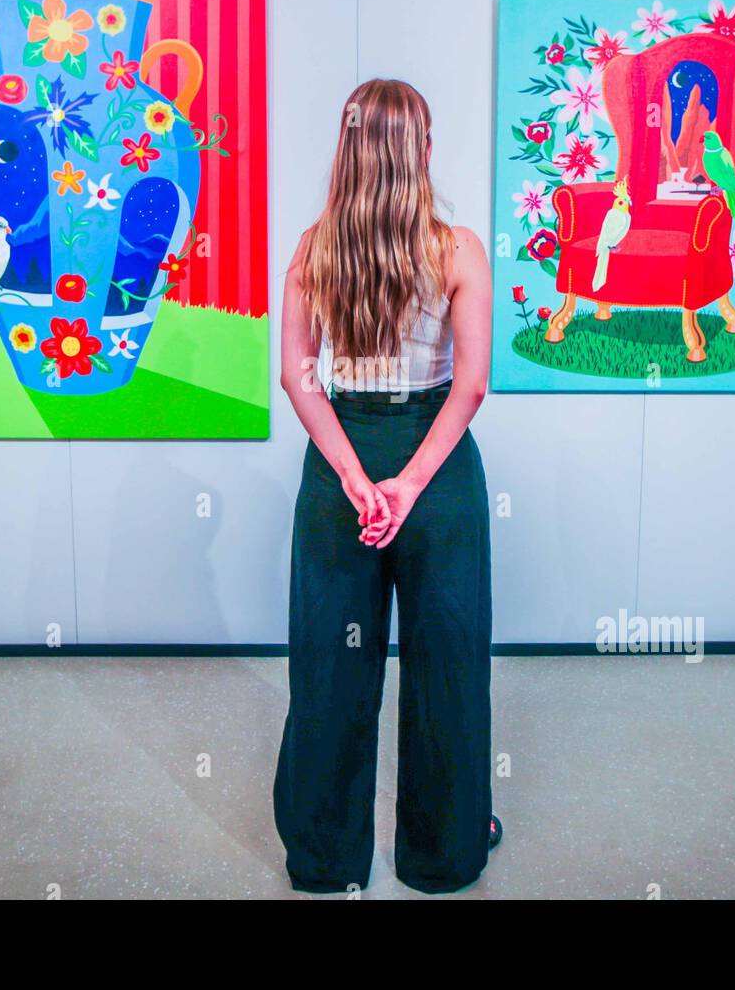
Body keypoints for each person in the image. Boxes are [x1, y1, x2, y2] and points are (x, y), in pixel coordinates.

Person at [273, 78, 499, 895]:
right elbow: (470, 385)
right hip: (435, 469)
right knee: (447, 663)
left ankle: (326, 860)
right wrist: (404, 486)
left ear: (349, 147)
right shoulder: (459, 248)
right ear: (421, 151)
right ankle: (442, 856)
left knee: (330, 667)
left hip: (343, 462)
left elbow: (301, 380)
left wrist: (353, 477)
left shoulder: (310, 249)